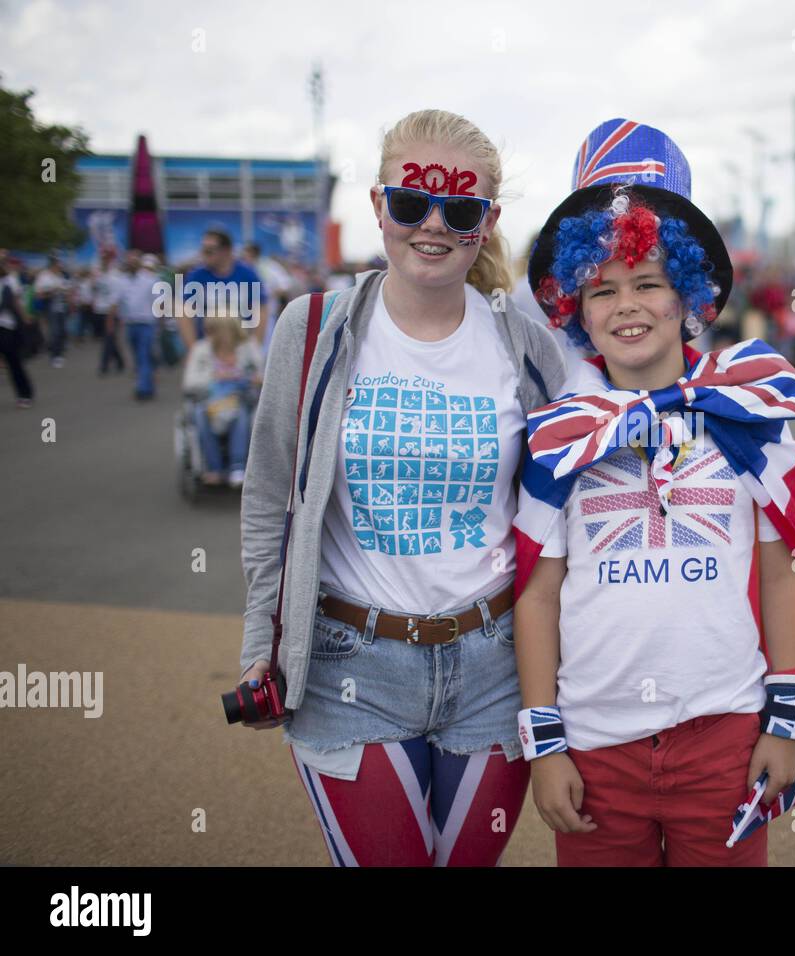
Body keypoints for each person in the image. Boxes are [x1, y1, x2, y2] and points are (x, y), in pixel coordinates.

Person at [237, 109, 568, 867]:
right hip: (348, 662)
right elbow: (267, 498)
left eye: (459, 209)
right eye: (413, 203)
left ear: (486, 222)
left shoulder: (523, 345)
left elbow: (569, 494)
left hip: (496, 666)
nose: (434, 225)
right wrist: (262, 641)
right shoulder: (313, 327)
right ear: (380, 205)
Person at [512, 118, 795, 867]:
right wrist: (542, 741)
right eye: (603, 290)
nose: (627, 304)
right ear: (577, 312)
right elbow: (536, 594)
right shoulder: (562, 436)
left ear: (687, 297)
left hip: (724, 730)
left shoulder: (744, 414)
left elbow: (785, 568)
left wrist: (784, 719)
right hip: (594, 744)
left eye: (650, 283)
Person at [181, 309, 263, 487]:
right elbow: (189, 383)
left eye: (211, 330)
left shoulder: (248, 348)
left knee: (240, 412)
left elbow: (262, 375)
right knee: (200, 414)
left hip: (239, 399)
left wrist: (254, 379)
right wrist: (215, 376)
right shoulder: (201, 350)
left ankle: (237, 466)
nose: (207, 334)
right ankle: (214, 468)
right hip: (209, 401)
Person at [181, 228, 266, 347]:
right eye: (203, 250)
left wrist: (255, 345)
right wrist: (193, 347)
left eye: (209, 251)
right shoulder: (196, 276)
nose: (203, 255)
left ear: (226, 251)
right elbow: (185, 313)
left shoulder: (247, 274)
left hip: (240, 346)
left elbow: (260, 311)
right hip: (209, 346)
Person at [107, 249, 163, 400]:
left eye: (134, 261)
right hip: (130, 325)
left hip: (147, 324)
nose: (131, 263)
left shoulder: (150, 280)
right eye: (129, 261)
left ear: (139, 263)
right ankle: (148, 385)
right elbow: (114, 302)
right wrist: (111, 322)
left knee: (144, 354)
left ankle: (142, 389)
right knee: (138, 357)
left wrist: (161, 322)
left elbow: (159, 303)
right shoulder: (121, 281)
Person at [0, 254, 35, 408]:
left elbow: (16, 301)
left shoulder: (9, 281)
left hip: (7, 325)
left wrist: (25, 317)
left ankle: (25, 394)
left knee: (13, 362)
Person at [33, 255, 71, 369]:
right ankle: (55, 356)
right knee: (55, 332)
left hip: (62, 307)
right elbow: (39, 294)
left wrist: (67, 294)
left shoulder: (61, 276)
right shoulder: (44, 276)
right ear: (53, 264)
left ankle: (58, 350)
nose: (60, 266)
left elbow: (67, 289)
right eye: (58, 264)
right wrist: (53, 291)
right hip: (50, 308)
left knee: (62, 331)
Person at [93, 249, 126, 374]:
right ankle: (120, 361)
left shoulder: (115, 276)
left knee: (108, 339)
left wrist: (111, 316)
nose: (103, 261)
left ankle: (103, 366)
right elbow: (95, 290)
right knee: (109, 338)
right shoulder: (99, 275)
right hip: (99, 310)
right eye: (102, 258)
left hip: (110, 312)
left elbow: (115, 299)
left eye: (105, 258)